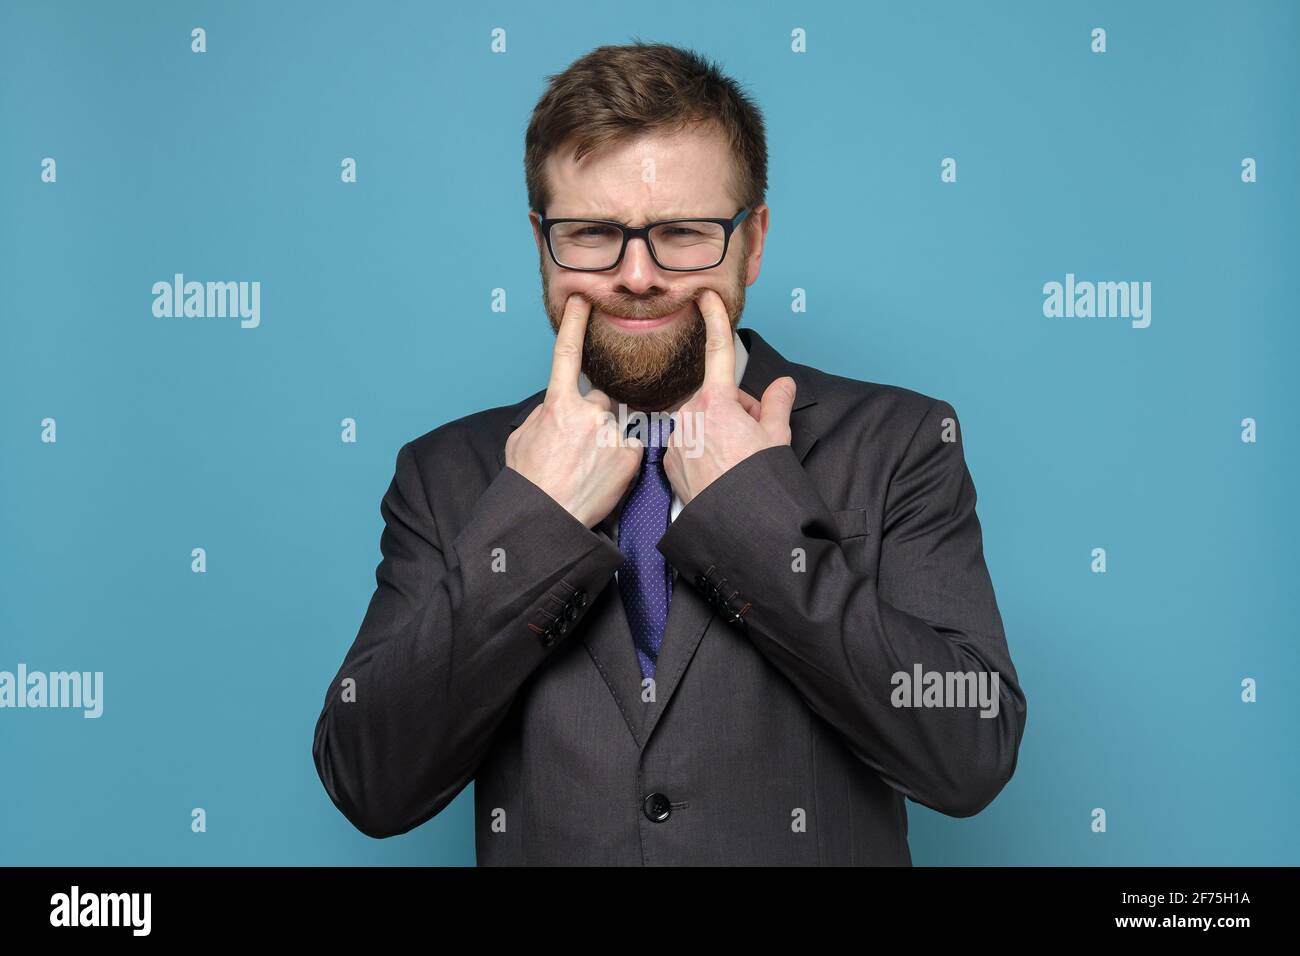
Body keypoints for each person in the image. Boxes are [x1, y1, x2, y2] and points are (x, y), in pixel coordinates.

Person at [311, 40, 1026, 865]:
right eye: (592, 234)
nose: (638, 274)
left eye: (684, 233)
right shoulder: (446, 473)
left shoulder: (901, 443)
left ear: (753, 241)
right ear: (542, 242)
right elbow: (369, 779)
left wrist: (752, 515)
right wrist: (533, 520)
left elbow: (972, 750)